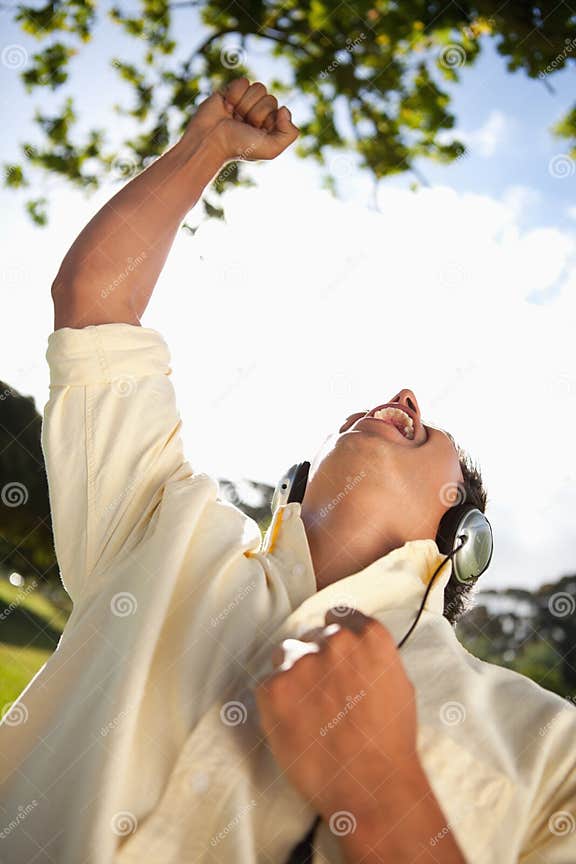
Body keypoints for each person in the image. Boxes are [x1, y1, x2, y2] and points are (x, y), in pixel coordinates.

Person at [0, 77, 574, 864]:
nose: (402, 394)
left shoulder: (552, 747)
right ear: (298, 484)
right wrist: (206, 149)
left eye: (437, 430)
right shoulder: (164, 526)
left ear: (463, 534)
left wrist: (383, 795)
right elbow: (95, 304)